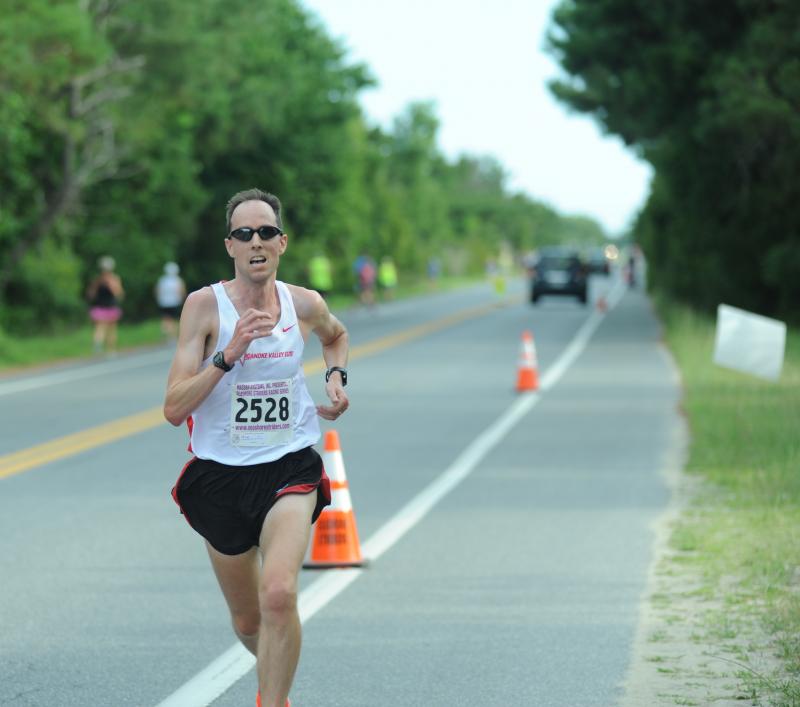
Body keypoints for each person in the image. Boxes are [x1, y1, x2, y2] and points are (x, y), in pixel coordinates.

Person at [163, 188, 349, 707]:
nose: (256, 241)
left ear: (282, 242)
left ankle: (270, 700)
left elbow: (336, 336)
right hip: (219, 477)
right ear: (230, 246)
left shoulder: (305, 303)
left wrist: (334, 377)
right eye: (244, 233)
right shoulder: (204, 308)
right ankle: (280, 690)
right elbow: (175, 408)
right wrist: (229, 352)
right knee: (249, 620)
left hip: (288, 466)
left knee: (279, 595)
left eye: (266, 231)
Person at [86, 255, 124, 354]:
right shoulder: (109, 279)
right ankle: (109, 348)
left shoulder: (99, 280)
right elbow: (118, 293)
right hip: (107, 307)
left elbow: (91, 294)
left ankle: (104, 346)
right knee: (108, 329)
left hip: (104, 307)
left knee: (103, 328)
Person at [154, 261, 186, 340]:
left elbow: (157, 290)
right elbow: (181, 291)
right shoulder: (178, 280)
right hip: (175, 302)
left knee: (166, 318)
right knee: (175, 319)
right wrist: (183, 299)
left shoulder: (162, 280)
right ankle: (173, 335)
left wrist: (159, 299)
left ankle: (167, 332)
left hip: (164, 302)